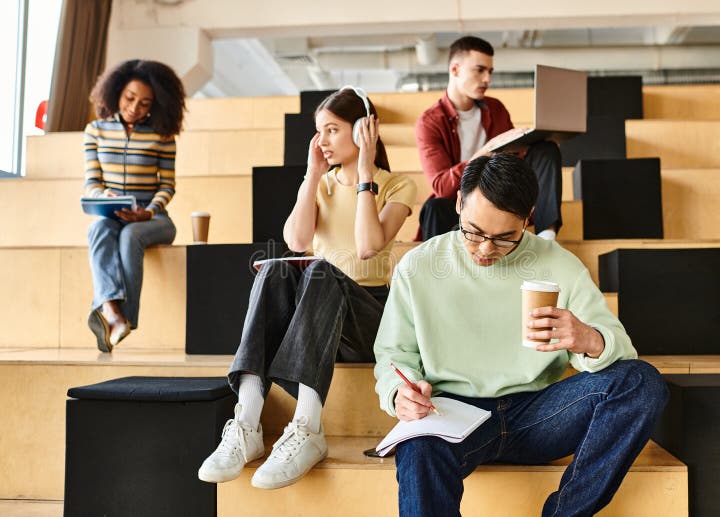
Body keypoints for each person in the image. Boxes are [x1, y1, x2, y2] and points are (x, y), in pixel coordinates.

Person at [374, 153, 668, 516]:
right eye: (474, 232)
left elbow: (622, 352)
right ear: (458, 204)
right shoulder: (418, 266)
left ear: (528, 219)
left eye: (505, 238)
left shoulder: (558, 263)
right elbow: (393, 355)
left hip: (539, 413)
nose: (485, 249)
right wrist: (398, 392)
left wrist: (588, 339)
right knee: (417, 446)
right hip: (452, 413)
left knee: (642, 382)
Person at [198, 87, 417, 490]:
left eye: (332, 130)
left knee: (320, 272)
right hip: (318, 321)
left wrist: (365, 173)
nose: (322, 141)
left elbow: (369, 246)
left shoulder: (396, 186)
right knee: (273, 271)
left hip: (369, 319)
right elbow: (297, 240)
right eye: (319, 132)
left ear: (365, 129)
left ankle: (308, 426)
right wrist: (313, 174)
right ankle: (246, 420)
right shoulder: (321, 183)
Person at [416, 35, 563, 241]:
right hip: (460, 205)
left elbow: (515, 160)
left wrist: (530, 140)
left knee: (546, 150)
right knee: (434, 207)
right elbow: (441, 187)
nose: (488, 79)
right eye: (480, 70)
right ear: (455, 69)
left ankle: (547, 236)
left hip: (499, 196)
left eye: (490, 72)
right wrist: (483, 154)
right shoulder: (430, 121)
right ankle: (441, 264)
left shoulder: (496, 109)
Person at [84, 59, 185, 352]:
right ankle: (113, 313)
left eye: (145, 103)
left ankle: (120, 317)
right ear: (116, 92)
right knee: (98, 230)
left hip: (154, 218)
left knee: (131, 235)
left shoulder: (163, 136)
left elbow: (167, 186)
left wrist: (148, 211)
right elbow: (92, 183)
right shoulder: (95, 131)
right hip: (113, 211)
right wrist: (107, 199)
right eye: (130, 98)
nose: (135, 107)